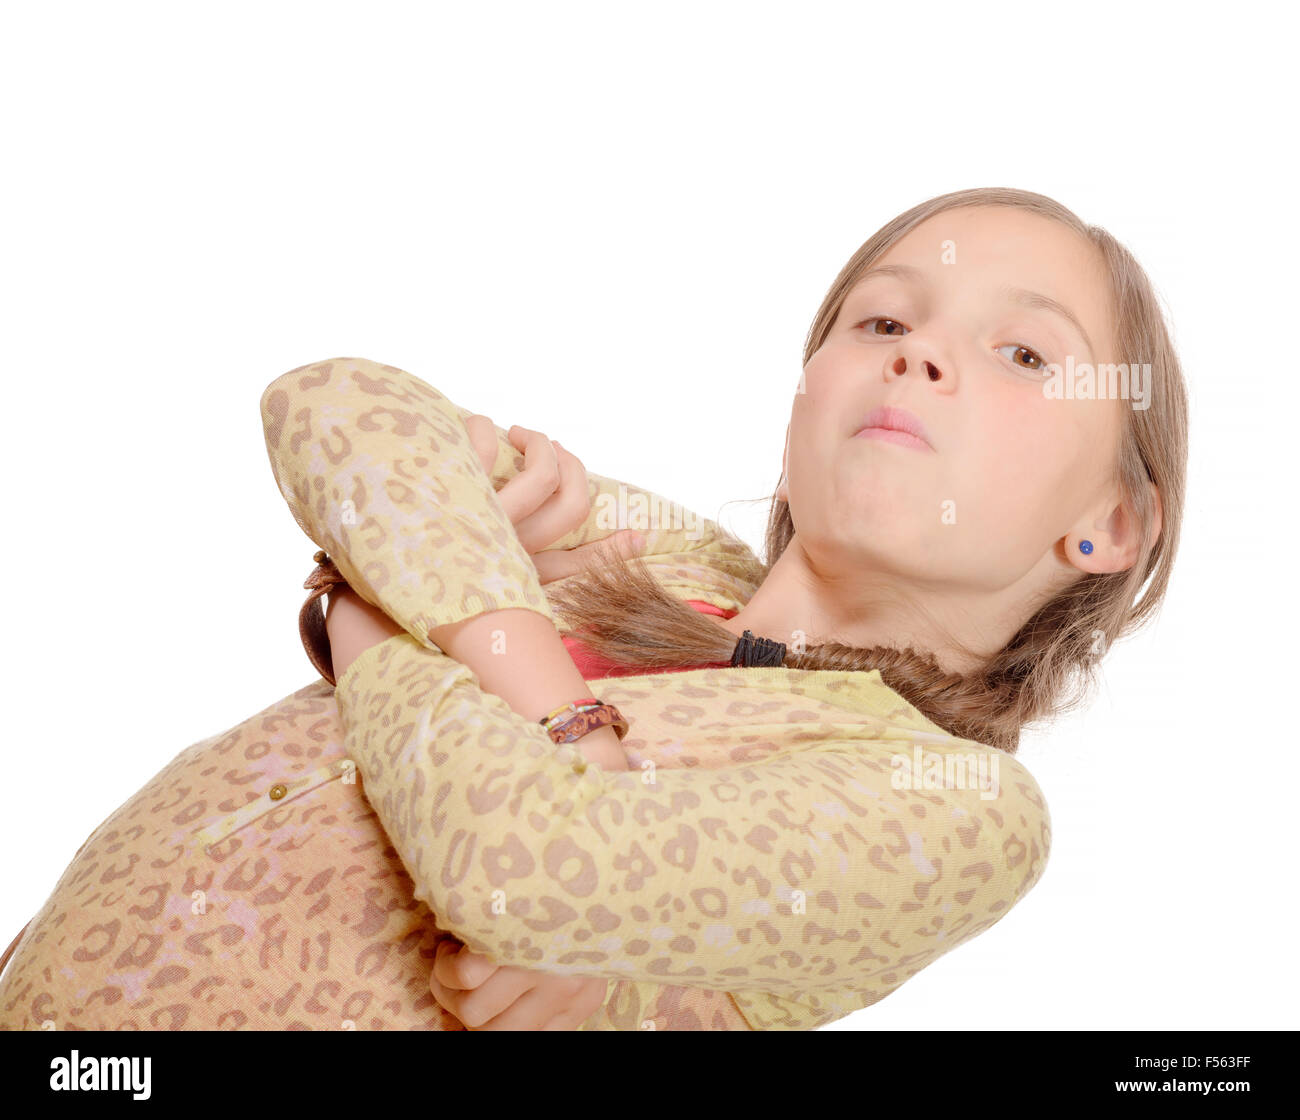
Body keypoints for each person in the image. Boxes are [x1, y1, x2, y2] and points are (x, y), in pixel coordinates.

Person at [0, 186, 1187, 1030]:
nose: (918, 354)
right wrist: (530, 678)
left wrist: (380, 632)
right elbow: (336, 408)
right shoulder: (656, 554)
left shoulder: (960, 804)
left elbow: (514, 866)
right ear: (800, 414)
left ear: (1108, 527)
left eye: (1026, 354)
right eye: (882, 319)